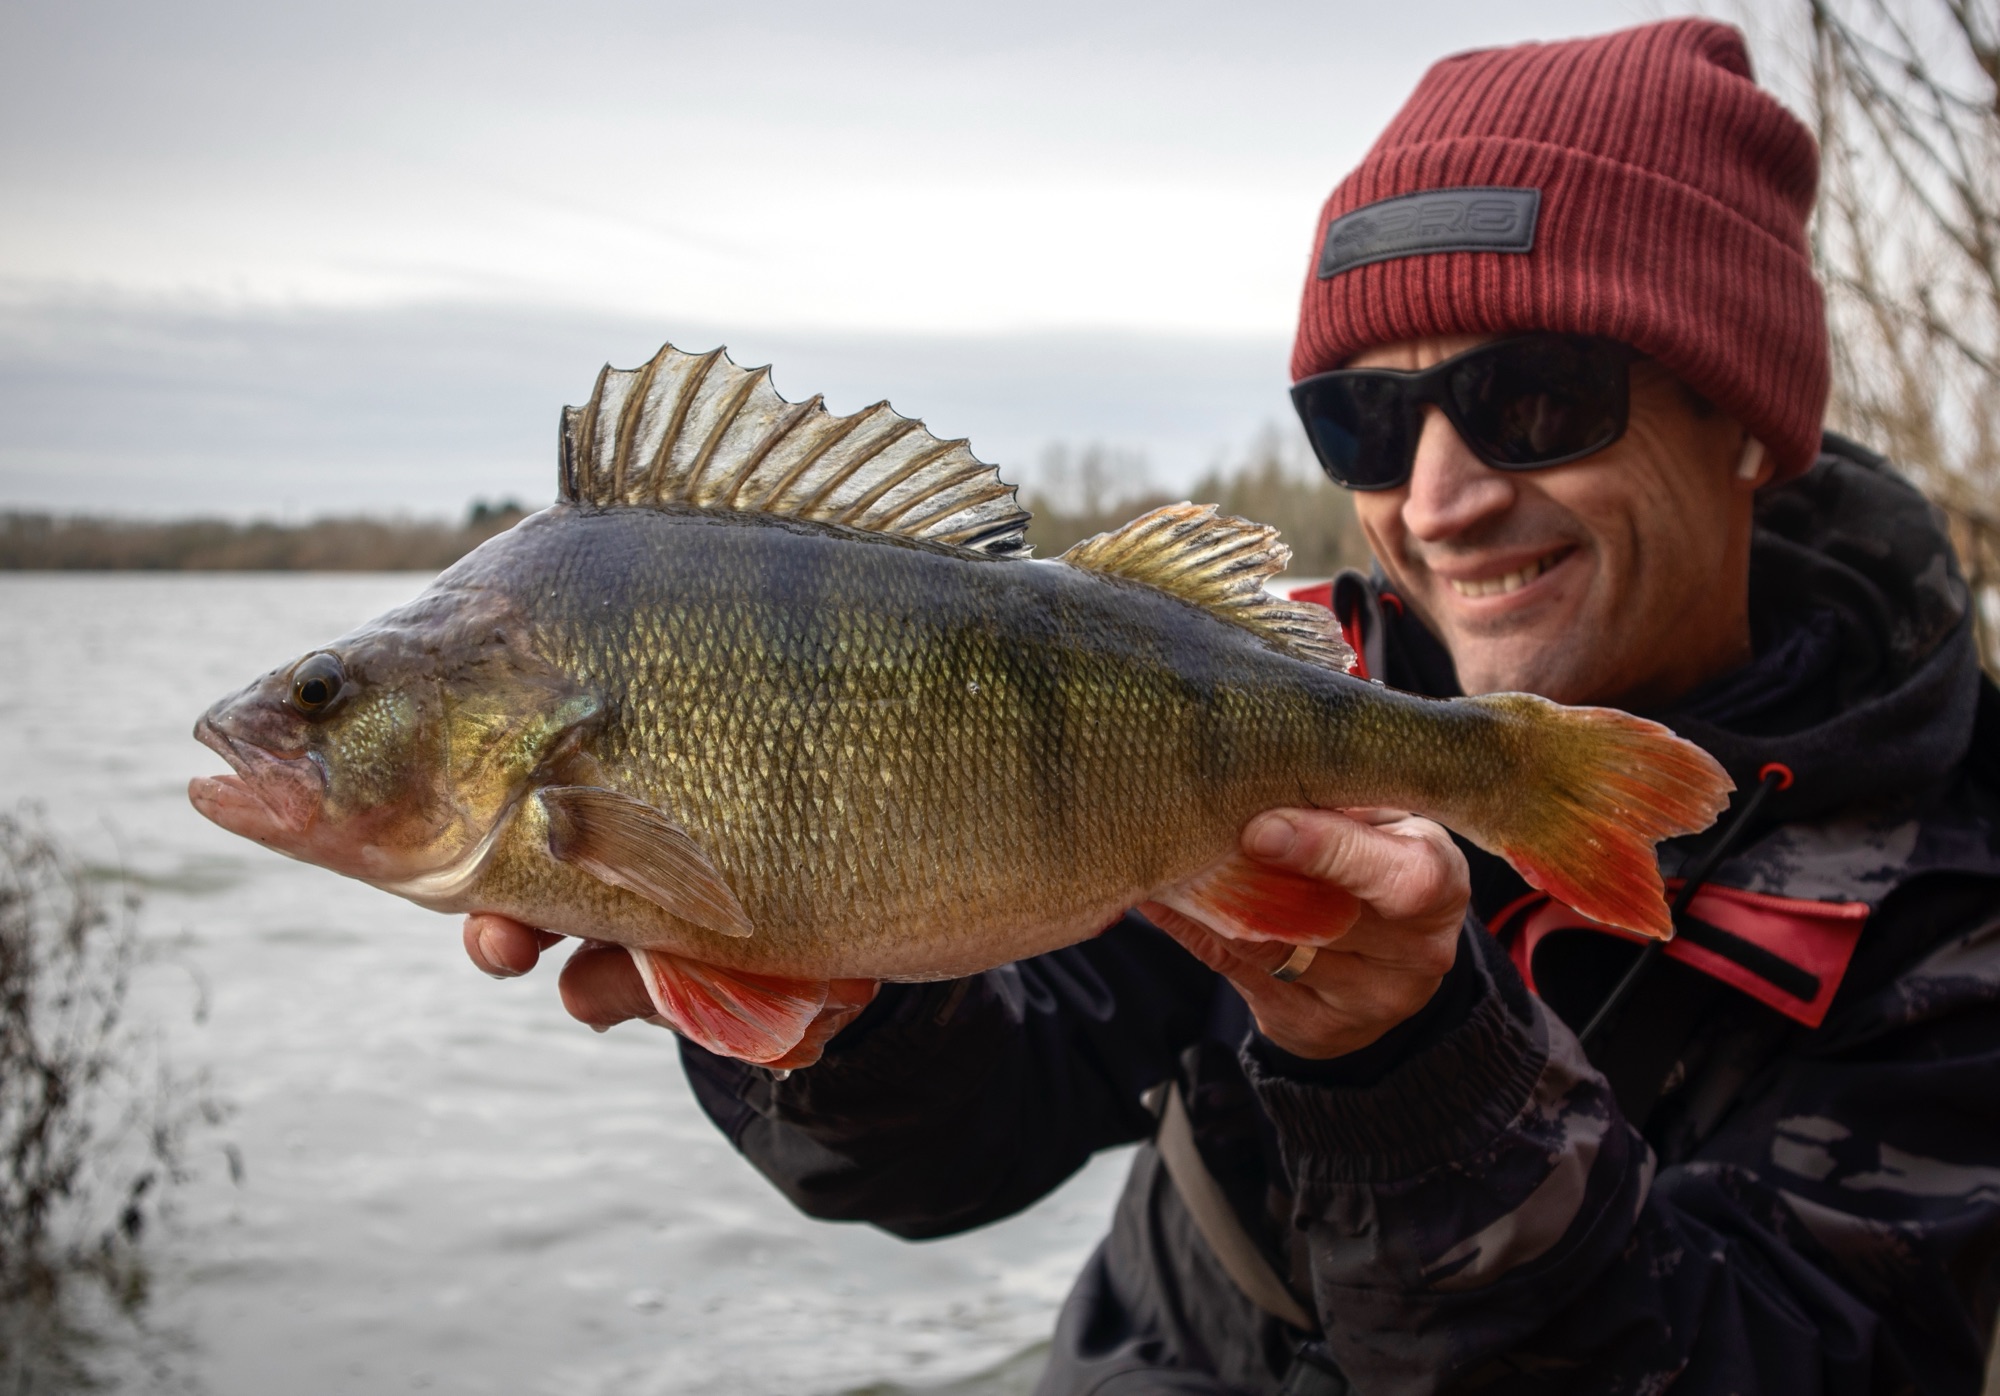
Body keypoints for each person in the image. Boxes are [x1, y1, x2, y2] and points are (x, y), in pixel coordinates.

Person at [465, 19, 2000, 1393]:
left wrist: (1414, 1070)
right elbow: (958, 1151)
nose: (1443, 498)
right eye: (1368, 421)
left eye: (1538, 401)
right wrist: (822, 983)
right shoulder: (1259, 695)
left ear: (1744, 422)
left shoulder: (1961, 899)